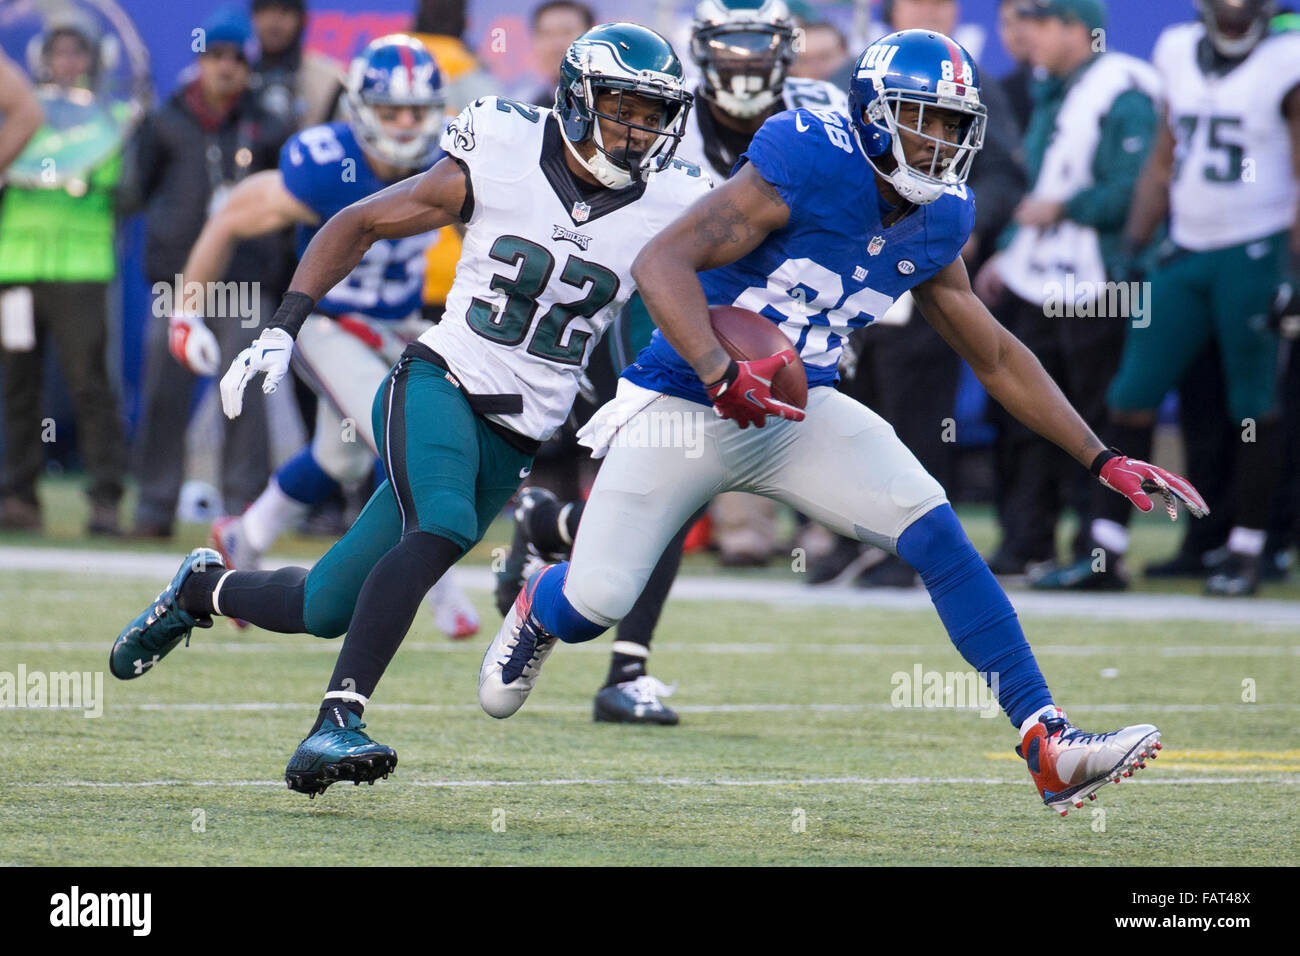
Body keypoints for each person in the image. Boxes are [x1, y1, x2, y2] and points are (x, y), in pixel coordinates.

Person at [478, 29, 1206, 817]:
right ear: (872, 115)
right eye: (922, 120)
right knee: (599, 602)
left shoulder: (939, 216)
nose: (940, 144)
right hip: (685, 401)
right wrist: (722, 374)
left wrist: (1101, 458)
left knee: (937, 533)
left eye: (954, 126)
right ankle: (541, 600)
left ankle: (1048, 743)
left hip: (799, 409)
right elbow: (661, 263)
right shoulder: (809, 157)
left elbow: (995, 355)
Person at [109, 22, 708, 797]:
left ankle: (199, 591)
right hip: (440, 381)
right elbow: (358, 220)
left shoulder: (673, 200)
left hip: (519, 432)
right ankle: (336, 718)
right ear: (578, 100)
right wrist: (283, 327)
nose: (641, 128)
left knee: (322, 604)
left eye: (655, 112)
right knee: (446, 525)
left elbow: (708, 284)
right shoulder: (504, 146)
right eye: (625, 107)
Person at [495, 0, 848, 725]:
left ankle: (552, 525)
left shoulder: (821, 116)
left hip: (764, 319)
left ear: (786, 51)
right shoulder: (659, 97)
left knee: (667, 489)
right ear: (703, 49)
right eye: (731, 44)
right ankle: (629, 666)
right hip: (657, 301)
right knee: (669, 478)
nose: (744, 61)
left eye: (759, 46)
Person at [171, 34, 477, 639]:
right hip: (326, 324)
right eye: (391, 109)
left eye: (417, 110)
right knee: (406, 442)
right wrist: (185, 313)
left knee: (339, 457)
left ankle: (246, 535)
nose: (406, 123)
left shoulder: (449, 162)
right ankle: (443, 591)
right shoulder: (326, 164)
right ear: (360, 108)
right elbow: (232, 212)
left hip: (396, 323)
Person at [1034, 0, 1300, 596]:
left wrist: (1295, 268)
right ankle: (1109, 548)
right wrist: (1133, 244)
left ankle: (1249, 549)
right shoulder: (1177, 49)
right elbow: (1162, 158)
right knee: (1130, 394)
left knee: (1254, 405)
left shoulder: (1288, 60)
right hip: (1183, 248)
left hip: (1255, 249)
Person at [974, 0, 1158, 581]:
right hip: (1040, 274)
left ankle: (1097, 549)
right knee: (1026, 412)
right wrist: (1009, 248)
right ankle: (1027, 540)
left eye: (1041, 20)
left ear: (1077, 28)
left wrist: (1064, 208)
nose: (1025, 33)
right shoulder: (1051, 87)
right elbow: (1036, 184)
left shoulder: (1124, 87)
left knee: (1096, 414)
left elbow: (1135, 191)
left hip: (1098, 281)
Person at [123, 7, 290, 536]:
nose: (225, 67)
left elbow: (288, 202)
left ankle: (242, 513)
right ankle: (152, 509)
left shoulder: (268, 121)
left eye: (236, 59)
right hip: (176, 287)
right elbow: (136, 191)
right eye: (215, 56)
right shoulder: (165, 117)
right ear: (200, 61)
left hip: (245, 282)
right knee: (162, 397)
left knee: (245, 398)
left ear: (249, 66)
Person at [0, 16, 130, 535]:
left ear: (94, 62)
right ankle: (17, 496)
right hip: (16, 267)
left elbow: (114, 180)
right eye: (60, 53)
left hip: (81, 269)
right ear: (42, 61)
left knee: (90, 385)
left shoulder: (113, 117)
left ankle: (104, 499)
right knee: (16, 385)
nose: (68, 63)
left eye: (79, 54)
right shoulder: (17, 113)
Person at [248, 0, 346, 131]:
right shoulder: (240, 74)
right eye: (265, 11)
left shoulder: (331, 79)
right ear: (253, 17)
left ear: (301, 20)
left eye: (284, 12)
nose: (273, 23)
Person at [526, 0, 595, 108]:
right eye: (547, 34)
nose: (556, 45)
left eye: (566, 32)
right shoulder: (534, 111)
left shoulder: (616, 101)